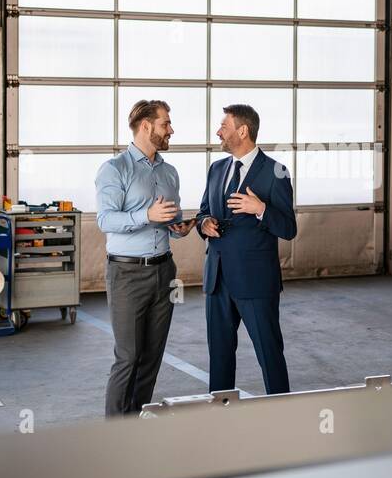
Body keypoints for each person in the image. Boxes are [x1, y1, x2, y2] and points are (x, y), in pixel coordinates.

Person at [94, 99, 195, 416]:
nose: (171, 129)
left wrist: (177, 227)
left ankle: (136, 423)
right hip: (126, 274)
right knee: (128, 355)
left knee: (152, 354)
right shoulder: (115, 169)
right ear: (146, 125)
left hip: (165, 271)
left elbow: (167, 220)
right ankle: (115, 433)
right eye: (166, 123)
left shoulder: (170, 172)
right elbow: (105, 220)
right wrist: (145, 215)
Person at [195, 104, 297, 395]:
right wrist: (204, 224)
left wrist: (261, 208)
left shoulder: (275, 172)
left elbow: (289, 228)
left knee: (269, 353)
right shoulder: (216, 169)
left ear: (243, 131)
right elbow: (203, 211)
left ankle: (282, 411)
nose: (218, 132)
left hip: (255, 280)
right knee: (220, 356)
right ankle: (221, 413)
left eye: (223, 127)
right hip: (217, 278)